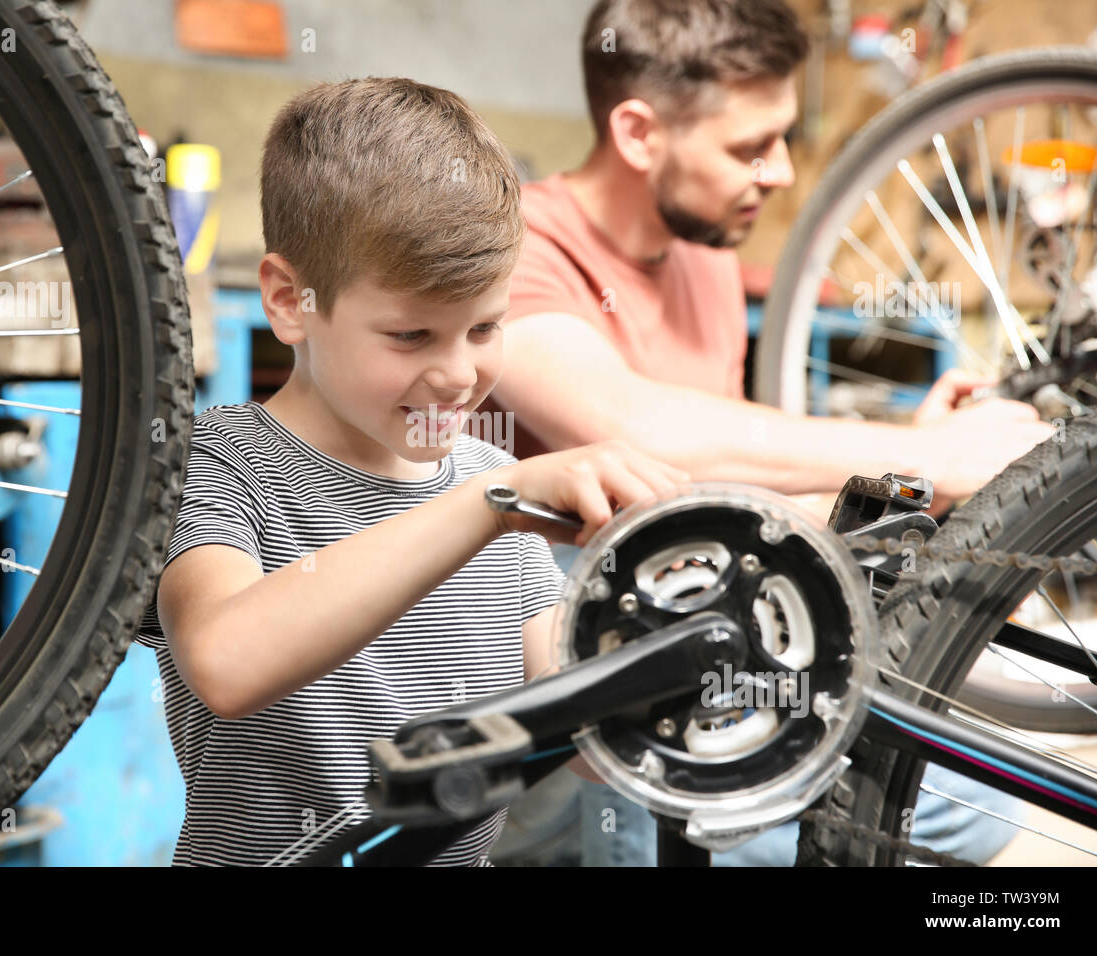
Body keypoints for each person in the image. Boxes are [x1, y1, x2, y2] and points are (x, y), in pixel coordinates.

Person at [484, 0, 1040, 867]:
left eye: (783, 139)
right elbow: (632, 430)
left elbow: (731, 499)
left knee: (978, 800)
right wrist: (927, 457)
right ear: (638, 132)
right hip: (568, 700)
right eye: (752, 147)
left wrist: (890, 484)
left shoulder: (701, 255)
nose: (782, 173)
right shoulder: (510, 249)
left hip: (714, 647)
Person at [133, 76, 689, 866]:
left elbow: (576, 725)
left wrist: (671, 633)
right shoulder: (221, 464)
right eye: (411, 335)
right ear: (292, 300)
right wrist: (489, 505)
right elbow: (225, 662)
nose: (459, 374)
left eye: (486, 327)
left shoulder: (492, 479)